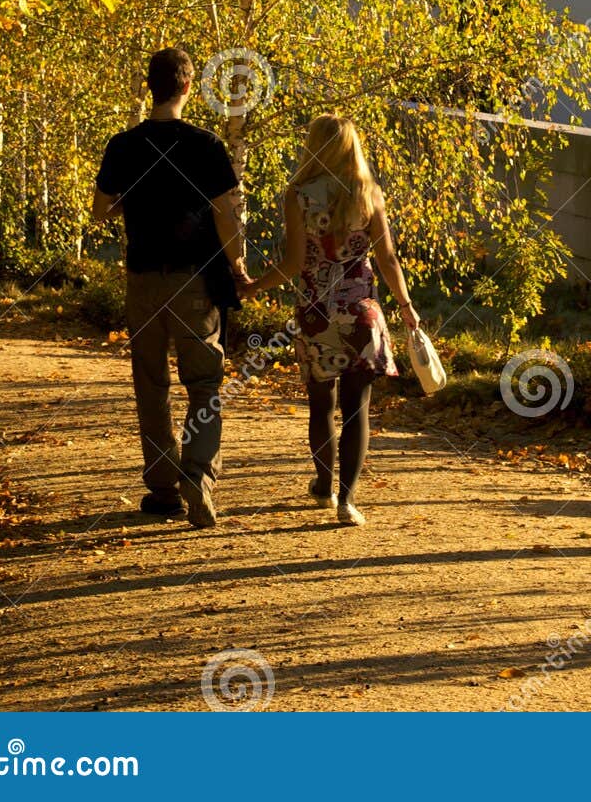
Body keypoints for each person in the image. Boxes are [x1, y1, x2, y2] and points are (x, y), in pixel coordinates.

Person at [91, 46, 250, 529]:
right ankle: (198, 479)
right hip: (195, 281)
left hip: (142, 278)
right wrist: (237, 263)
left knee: (152, 382)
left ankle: (163, 488)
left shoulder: (123, 146)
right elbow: (226, 213)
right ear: (186, 87)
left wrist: (129, 206)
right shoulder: (205, 146)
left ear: (150, 87)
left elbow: (100, 210)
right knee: (204, 383)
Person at [241, 114, 418, 526]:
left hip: (317, 314)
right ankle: (347, 501)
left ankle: (323, 486)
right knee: (358, 408)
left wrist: (253, 287)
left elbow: (292, 263)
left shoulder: (298, 194)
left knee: (322, 406)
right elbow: (388, 259)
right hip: (361, 313)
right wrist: (407, 306)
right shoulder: (369, 193)